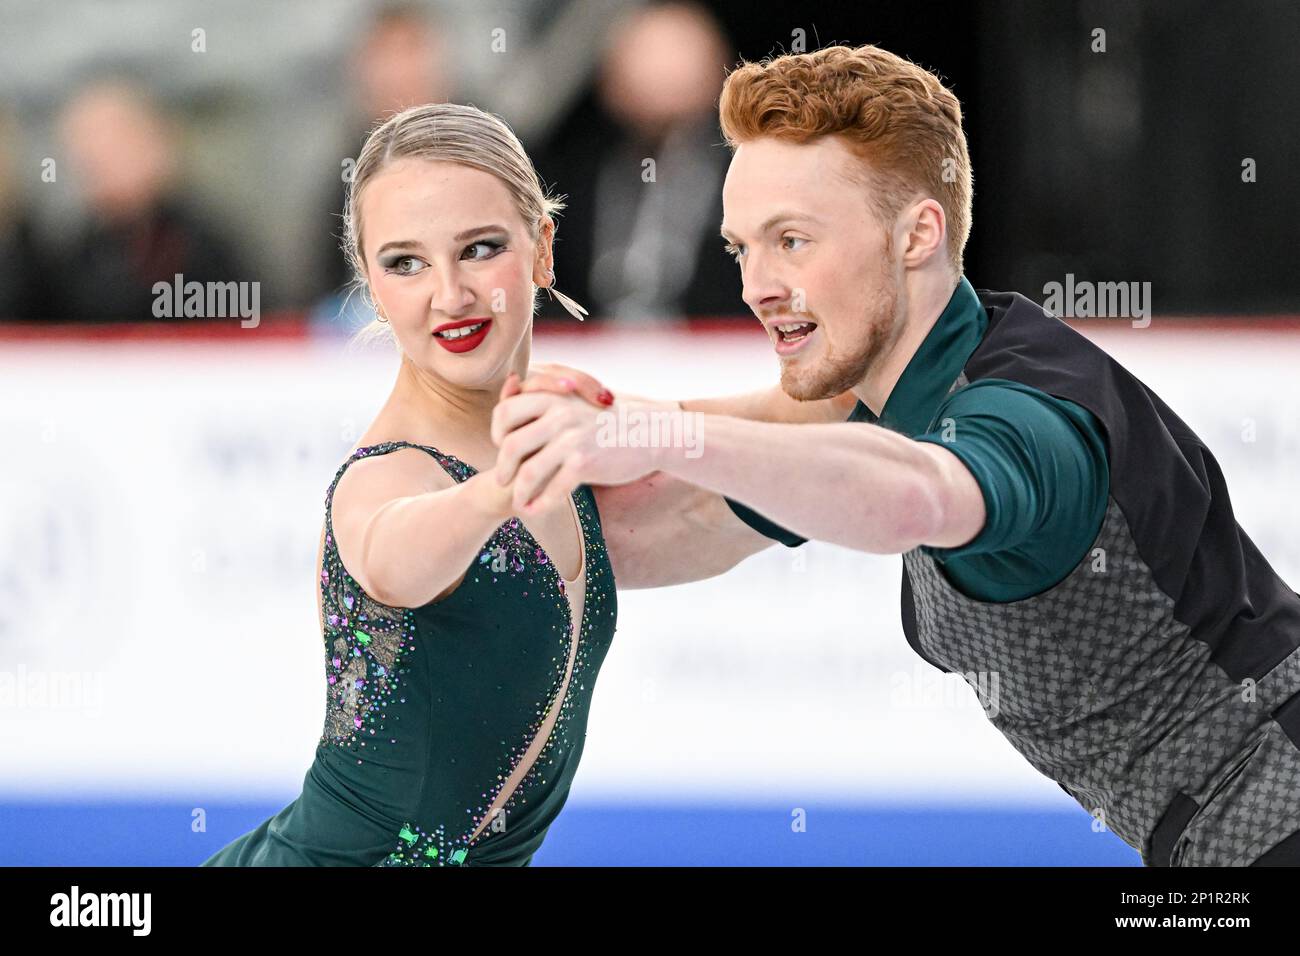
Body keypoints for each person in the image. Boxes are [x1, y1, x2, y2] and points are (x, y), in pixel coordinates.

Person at [491, 44, 1300, 867]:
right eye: (742, 249)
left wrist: (653, 431)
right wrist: (477, 497)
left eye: (793, 241)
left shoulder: (1022, 418)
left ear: (917, 234)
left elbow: (917, 494)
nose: (757, 286)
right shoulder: (894, 388)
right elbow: (668, 520)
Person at [202, 102, 616, 867]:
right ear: (370, 282)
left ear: (542, 248)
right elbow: (393, 554)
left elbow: (736, 491)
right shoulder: (388, 473)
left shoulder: (567, 462)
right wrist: (498, 489)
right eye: (405, 263)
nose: (449, 294)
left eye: (480, 248)